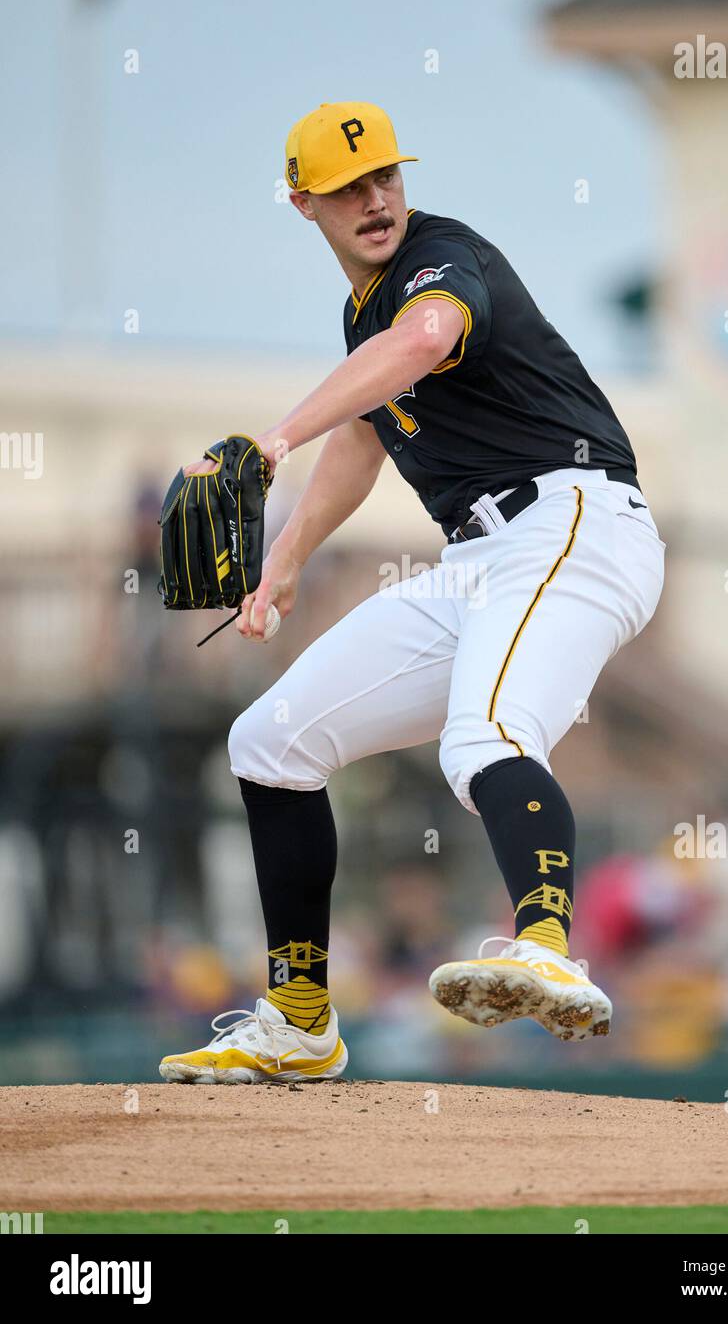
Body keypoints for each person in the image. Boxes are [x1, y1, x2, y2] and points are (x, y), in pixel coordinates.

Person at [159, 102, 666, 1083]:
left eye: (384, 175)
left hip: (570, 521)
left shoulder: (440, 259)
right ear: (302, 203)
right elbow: (365, 431)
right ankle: (300, 1016)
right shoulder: (362, 318)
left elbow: (425, 340)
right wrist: (288, 557)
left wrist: (270, 439)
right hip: (477, 558)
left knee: (482, 738)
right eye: (347, 187)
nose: (375, 197)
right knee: (269, 743)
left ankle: (547, 949)